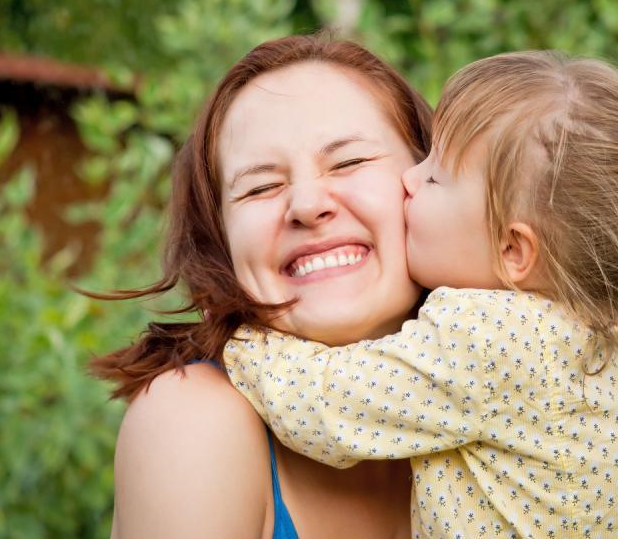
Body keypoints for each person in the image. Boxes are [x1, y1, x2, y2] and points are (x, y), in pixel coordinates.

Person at [225, 51, 618, 537]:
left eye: (436, 178)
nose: (409, 180)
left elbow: (324, 410)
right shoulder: (593, 328)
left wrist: (240, 335)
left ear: (513, 250)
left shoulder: (491, 336)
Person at [90, 33, 433, 538]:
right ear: (219, 240)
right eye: (261, 187)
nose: (306, 204)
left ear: (432, 181)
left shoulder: (529, 384)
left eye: (348, 162)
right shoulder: (191, 420)